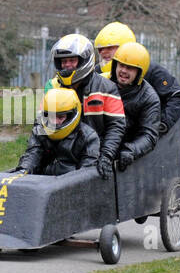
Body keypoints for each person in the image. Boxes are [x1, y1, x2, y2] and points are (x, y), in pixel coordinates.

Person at [47, 33, 125, 179]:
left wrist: (106, 157)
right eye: (63, 61)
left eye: (72, 60)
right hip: (64, 156)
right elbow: (43, 125)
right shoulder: (53, 86)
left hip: (96, 155)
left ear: (84, 60)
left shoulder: (107, 88)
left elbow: (116, 127)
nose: (67, 65)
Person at [93, 21, 180, 133]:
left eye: (110, 47)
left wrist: (160, 124)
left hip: (151, 136)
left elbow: (177, 97)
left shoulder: (151, 70)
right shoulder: (97, 72)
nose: (103, 52)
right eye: (100, 49)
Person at [15, 88, 100, 176]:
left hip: (70, 185)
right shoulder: (40, 130)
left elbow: (86, 175)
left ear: (72, 114)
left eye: (60, 117)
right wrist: (22, 173)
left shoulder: (88, 137)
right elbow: (32, 156)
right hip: (41, 184)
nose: (55, 122)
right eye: (52, 116)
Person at [108, 42, 160, 171]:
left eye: (130, 68)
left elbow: (149, 135)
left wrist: (130, 150)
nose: (124, 71)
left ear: (139, 72)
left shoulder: (150, 98)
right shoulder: (102, 85)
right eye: (121, 65)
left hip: (126, 151)